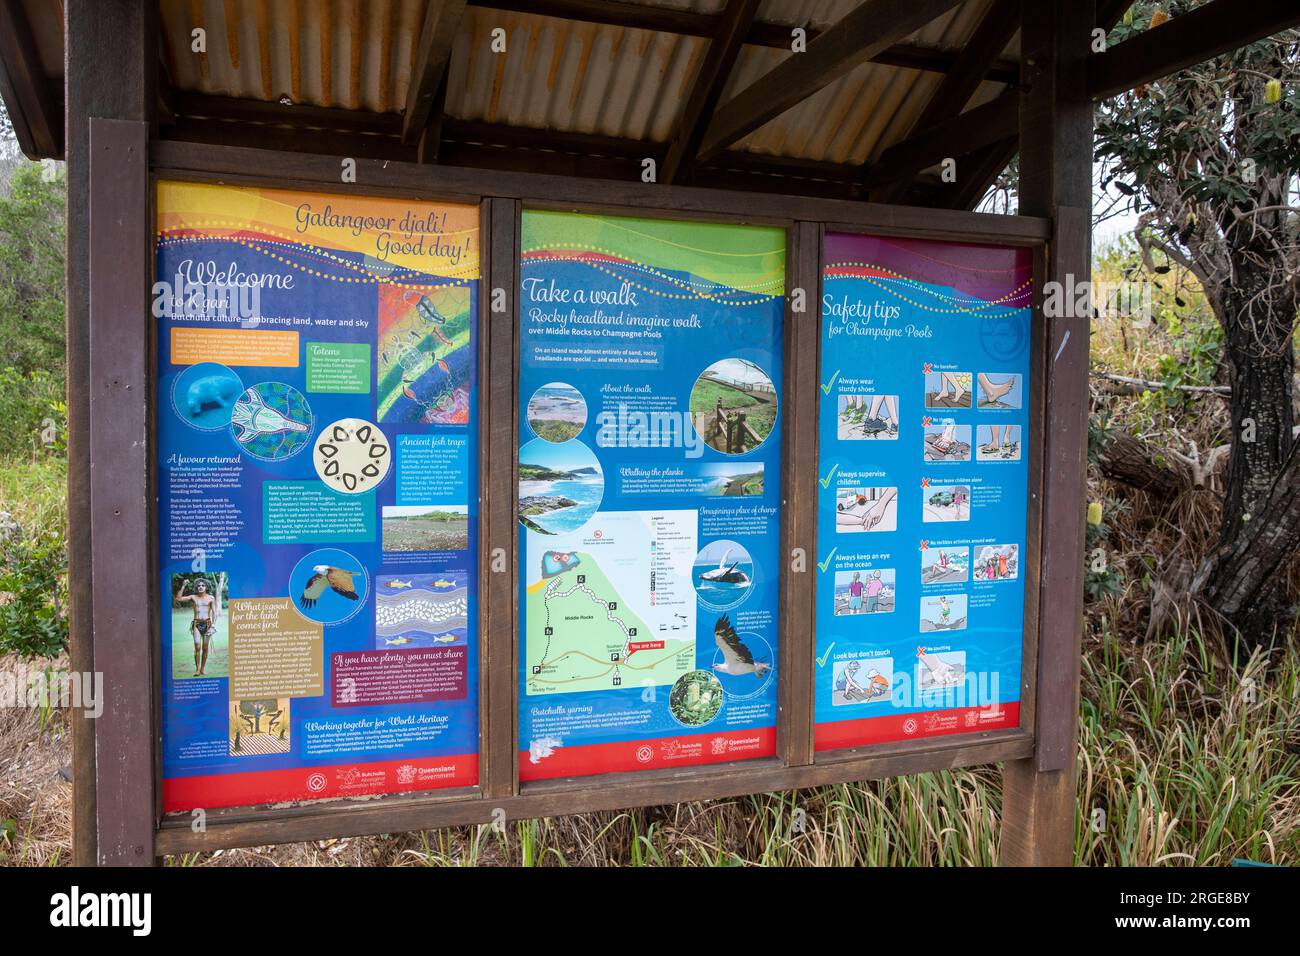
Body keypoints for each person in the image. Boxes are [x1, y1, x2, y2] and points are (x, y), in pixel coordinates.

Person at [177, 577, 220, 676]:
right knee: (197, 647)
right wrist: (183, 586)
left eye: (203, 585)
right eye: (199, 585)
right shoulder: (193, 597)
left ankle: (202, 669)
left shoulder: (211, 598)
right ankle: (197, 669)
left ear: (206, 587)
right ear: (196, 587)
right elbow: (178, 599)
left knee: (205, 648)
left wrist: (213, 625)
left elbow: (214, 612)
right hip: (196, 624)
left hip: (208, 624)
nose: (201, 587)